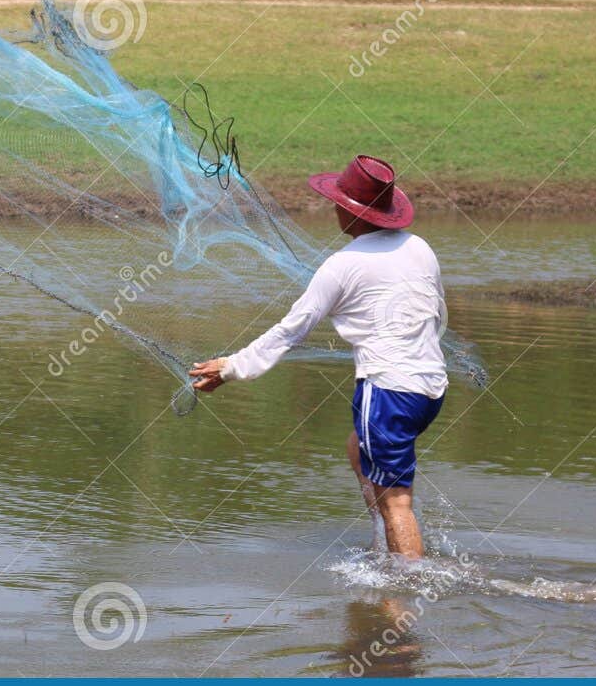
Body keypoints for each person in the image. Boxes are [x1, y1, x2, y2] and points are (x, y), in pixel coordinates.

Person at [188, 156, 448, 559]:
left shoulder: (342, 265)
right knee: (357, 448)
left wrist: (232, 368)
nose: (334, 208)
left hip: (388, 392)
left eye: (338, 202)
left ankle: (404, 594)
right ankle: (385, 543)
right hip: (430, 389)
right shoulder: (420, 248)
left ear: (350, 211)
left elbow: (293, 329)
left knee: (398, 501)